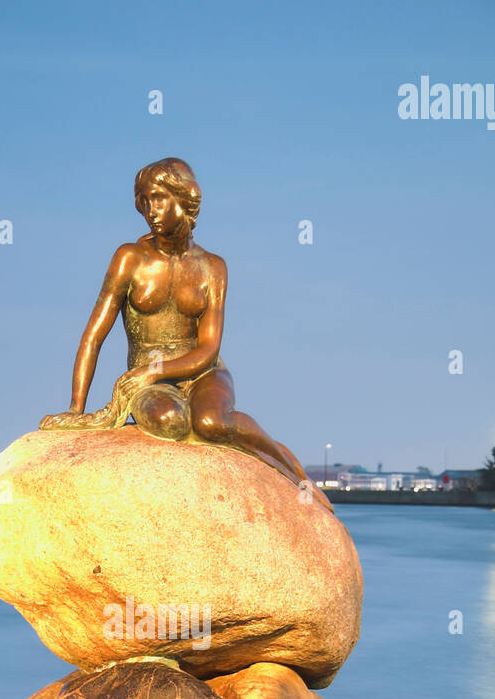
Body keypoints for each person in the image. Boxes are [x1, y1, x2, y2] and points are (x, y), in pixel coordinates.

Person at [41, 157, 331, 506]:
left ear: (185, 198)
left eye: (160, 198)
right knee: (171, 422)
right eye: (145, 202)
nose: (151, 210)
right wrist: (76, 408)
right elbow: (93, 336)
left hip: (203, 371)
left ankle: (294, 471)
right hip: (150, 378)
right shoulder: (130, 258)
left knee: (211, 423)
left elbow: (209, 348)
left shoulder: (212, 268)